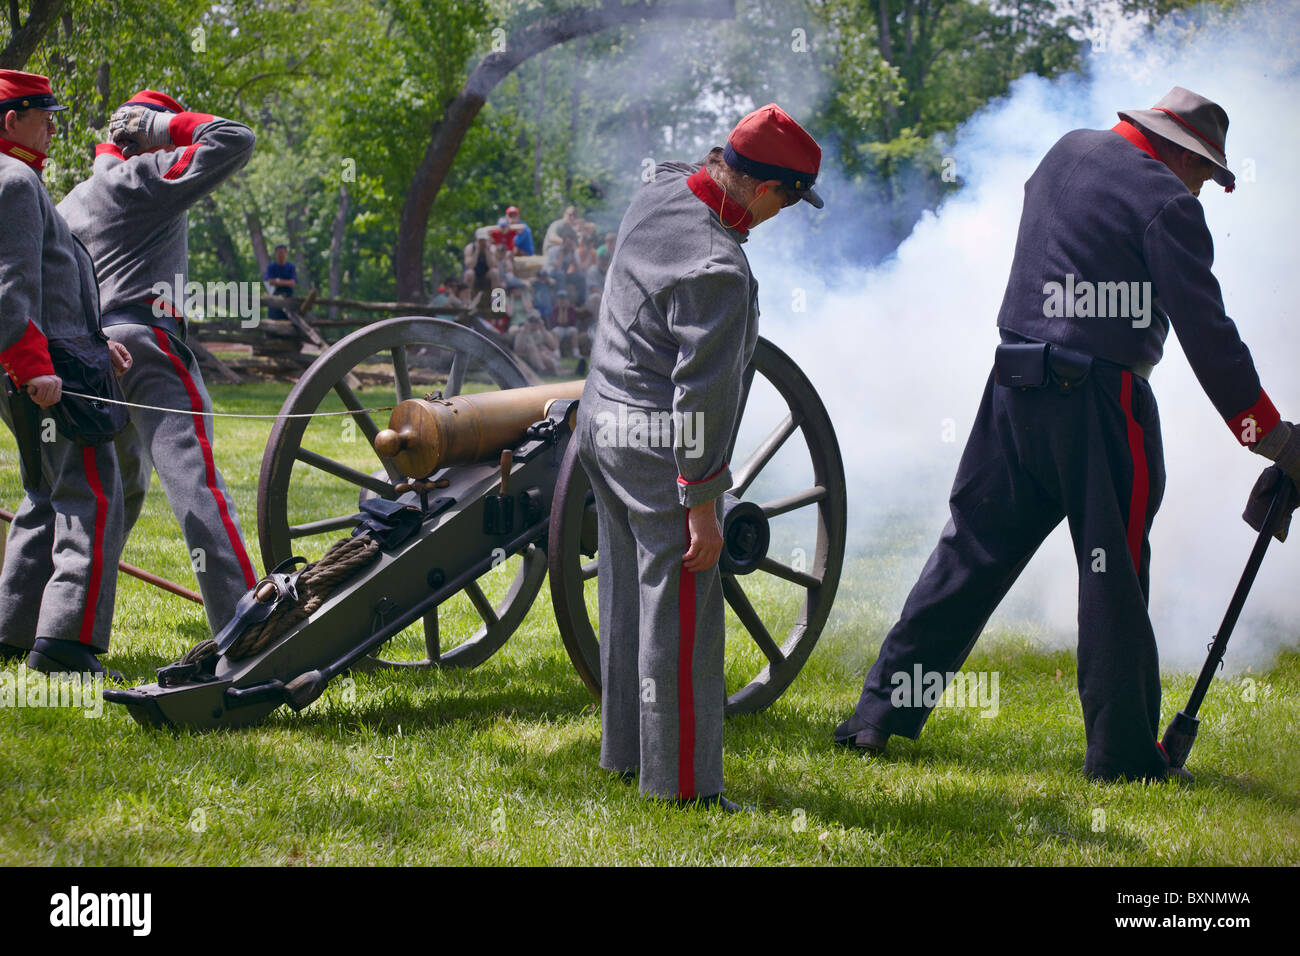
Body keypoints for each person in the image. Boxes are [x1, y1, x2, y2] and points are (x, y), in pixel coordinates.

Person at [834, 87, 1300, 783]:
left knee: (968, 554)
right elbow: (1210, 337)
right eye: (1206, 171)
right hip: (1099, 403)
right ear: (1183, 153)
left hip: (1012, 380)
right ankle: (1123, 757)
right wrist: (1273, 438)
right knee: (1113, 578)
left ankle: (878, 714)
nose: (1204, 187)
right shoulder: (1169, 202)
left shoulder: (1064, 152)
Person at [578, 103, 823, 810]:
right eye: (788, 201)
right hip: (658, 445)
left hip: (599, 421)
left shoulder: (659, 189)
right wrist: (703, 506)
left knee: (627, 593)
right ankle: (683, 787)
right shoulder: (720, 271)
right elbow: (701, 405)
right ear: (767, 188)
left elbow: (675, 168)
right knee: (683, 609)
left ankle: (627, 753)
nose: (781, 215)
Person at [58, 89, 260, 638]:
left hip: (92, 358)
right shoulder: (148, 175)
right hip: (146, 342)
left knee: (116, 489)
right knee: (194, 477)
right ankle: (245, 621)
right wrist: (162, 128)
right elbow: (234, 139)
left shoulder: (75, 199)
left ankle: (55, 630)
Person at [0, 69, 131, 676]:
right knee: (92, 496)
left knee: (44, 495)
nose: (53, 127)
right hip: (48, 373)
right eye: (44, 116)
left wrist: (101, 343)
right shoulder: (15, 181)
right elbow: (11, 289)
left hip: (44, 364)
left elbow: (48, 284)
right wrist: (35, 367)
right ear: (11, 120)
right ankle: (66, 643)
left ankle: (13, 629)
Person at [264, 244, 296, 319]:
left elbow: (292, 283)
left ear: (286, 254)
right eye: (279, 253)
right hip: (274, 299)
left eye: (282, 252)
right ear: (275, 254)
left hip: (288, 298)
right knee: (273, 320)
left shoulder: (291, 266)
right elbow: (270, 281)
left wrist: (277, 281)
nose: (281, 255)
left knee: (290, 319)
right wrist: (286, 282)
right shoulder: (271, 267)